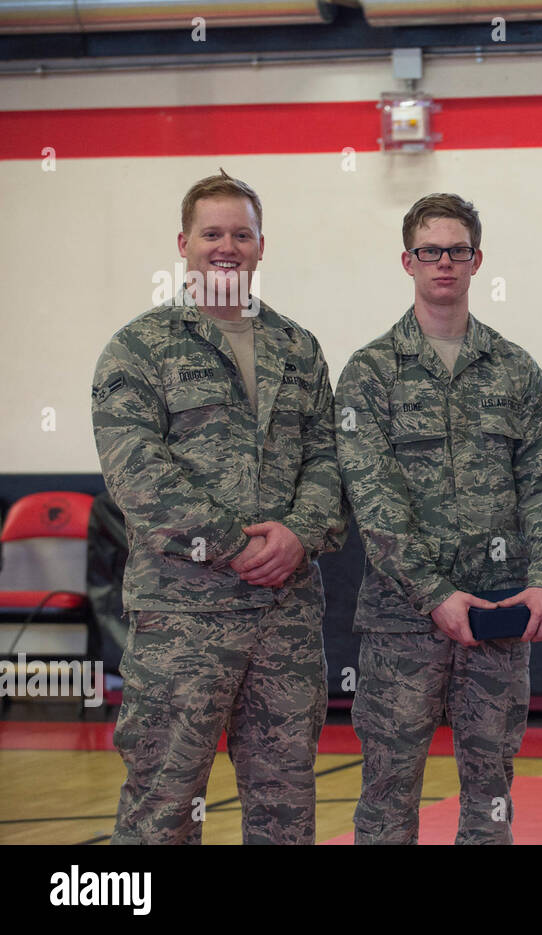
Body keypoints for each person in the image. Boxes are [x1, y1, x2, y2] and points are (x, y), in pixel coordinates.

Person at [91, 169, 346, 844]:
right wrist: (235, 543)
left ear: (262, 246)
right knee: (163, 803)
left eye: (241, 233)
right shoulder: (139, 348)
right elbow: (137, 474)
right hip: (183, 616)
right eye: (212, 233)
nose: (226, 246)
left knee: (285, 804)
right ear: (184, 242)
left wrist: (296, 533)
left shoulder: (299, 350)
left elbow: (328, 458)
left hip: (284, 615)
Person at [336, 193, 542, 844]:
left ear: (477, 261)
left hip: (499, 619)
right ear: (407, 261)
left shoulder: (516, 370)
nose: (443, 262)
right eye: (429, 251)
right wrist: (435, 595)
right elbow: (374, 499)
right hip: (402, 623)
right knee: (387, 793)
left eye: (457, 250)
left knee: (491, 793)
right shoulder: (369, 373)